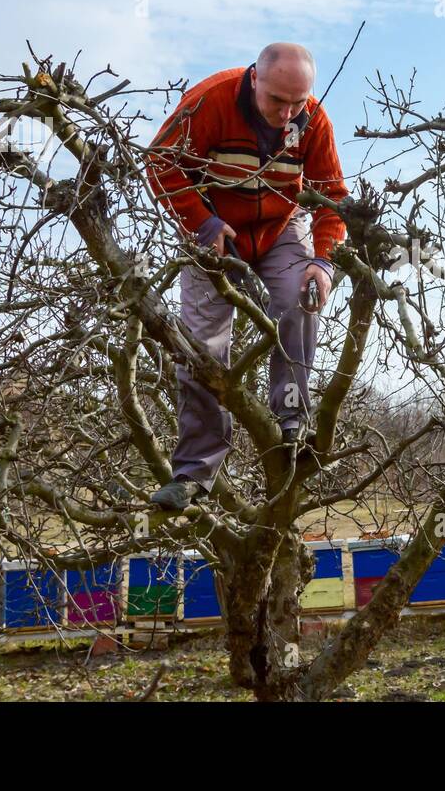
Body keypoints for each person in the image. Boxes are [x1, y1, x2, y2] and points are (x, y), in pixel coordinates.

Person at [145, 43, 349, 510]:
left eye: (298, 102)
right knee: (201, 346)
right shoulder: (210, 101)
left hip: (280, 227)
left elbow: (334, 198)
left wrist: (323, 261)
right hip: (214, 227)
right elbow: (159, 162)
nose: (288, 113)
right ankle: (195, 473)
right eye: (279, 101)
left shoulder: (313, 121)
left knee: (302, 298)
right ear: (255, 79)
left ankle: (291, 425)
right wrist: (201, 222)